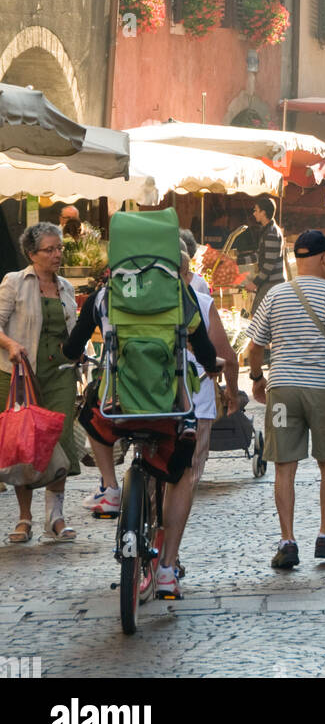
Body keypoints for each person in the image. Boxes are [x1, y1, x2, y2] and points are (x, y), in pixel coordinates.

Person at [64, 251, 221, 597]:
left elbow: (72, 347)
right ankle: (166, 569)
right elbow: (205, 350)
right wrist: (212, 365)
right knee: (182, 475)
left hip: (117, 409)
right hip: (170, 410)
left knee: (90, 412)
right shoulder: (181, 294)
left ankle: (110, 488)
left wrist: (73, 354)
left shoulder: (103, 296)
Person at [247, 230, 325, 569]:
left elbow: (255, 347)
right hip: (324, 390)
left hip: (283, 392)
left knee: (284, 466)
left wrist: (257, 378)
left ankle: (287, 540)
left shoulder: (275, 294)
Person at [0, 224, 81, 543]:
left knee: (59, 441)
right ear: (32, 254)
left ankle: (55, 516)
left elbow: (70, 332)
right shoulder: (14, 282)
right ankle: (24, 517)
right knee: (24, 443)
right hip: (20, 374)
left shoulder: (66, 288)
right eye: (49, 249)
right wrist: (9, 345)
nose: (57, 254)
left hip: (60, 373)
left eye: (59, 248)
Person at [179, 249, 240, 490]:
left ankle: (147, 518)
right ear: (187, 275)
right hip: (196, 401)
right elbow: (225, 356)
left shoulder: (138, 303)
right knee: (188, 477)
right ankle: (170, 528)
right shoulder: (201, 303)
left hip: (150, 401)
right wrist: (232, 394)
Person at [235, 196, 286, 314]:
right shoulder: (267, 230)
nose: (254, 213)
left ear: (263, 213)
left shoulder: (271, 233)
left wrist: (254, 283)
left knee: (257, 314)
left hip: (272, 284)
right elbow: (259, 255)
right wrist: (237, 261)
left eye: (256, 210)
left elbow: (269, 264)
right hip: (268, 283)